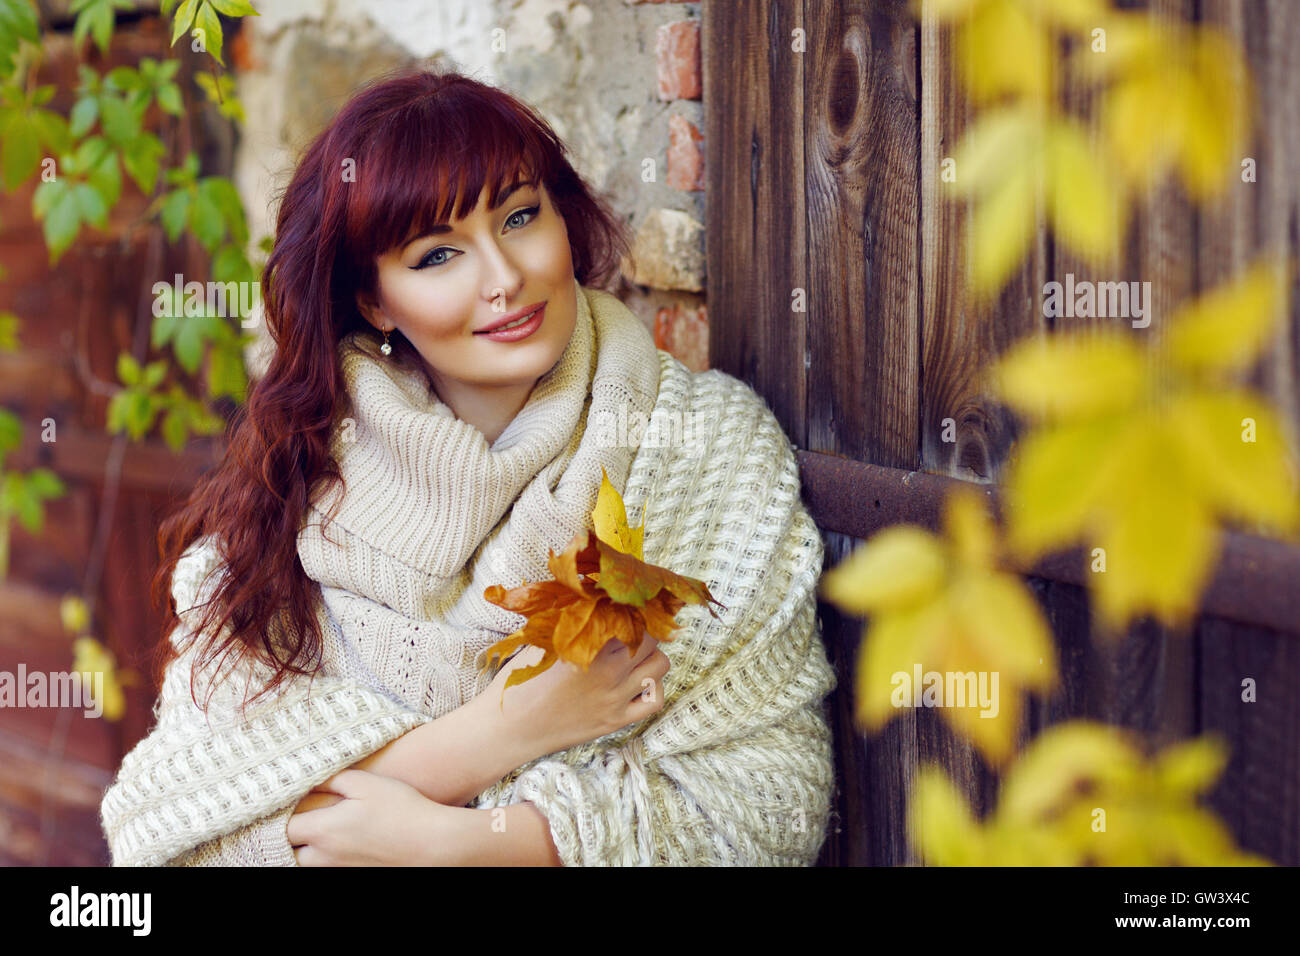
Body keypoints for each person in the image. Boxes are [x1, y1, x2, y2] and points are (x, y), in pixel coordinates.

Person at [99, 68, 837, 866]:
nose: (504, 277)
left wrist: (464, 845)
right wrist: (504, 732)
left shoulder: (705, 449)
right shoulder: (292, 493)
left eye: (520, 216)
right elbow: (170, 830)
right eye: (438, 255)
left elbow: (771, 808)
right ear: (376, 303)